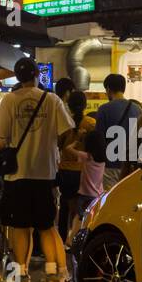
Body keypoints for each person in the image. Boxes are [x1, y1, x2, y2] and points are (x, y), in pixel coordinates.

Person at [0, 58, 74, 282]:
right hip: (45, 173)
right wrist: (52, 146)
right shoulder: (52, 99)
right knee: (46, 226)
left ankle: (20, 277)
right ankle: (52, 276)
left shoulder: (9, 100)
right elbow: (68, 133)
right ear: (38, 74)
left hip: (17, 174)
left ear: (17, 77)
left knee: (20, 227)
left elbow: (0, 140)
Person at [94, 73, 142, 193]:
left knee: (110, 199)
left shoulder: (104, 109)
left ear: (108, 89)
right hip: (132, 166)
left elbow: (99, 139)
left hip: (111, 165)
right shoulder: (138, 109)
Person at [55, 91, 92, 238]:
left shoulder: (64, 123)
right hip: (83, 171)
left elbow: (57, 145)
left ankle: (62, 238)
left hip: (65, 171)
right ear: (85, 105)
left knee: (65, 206)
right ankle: (76, 238)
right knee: (80, 208)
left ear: (69, 106)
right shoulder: (91, 123)